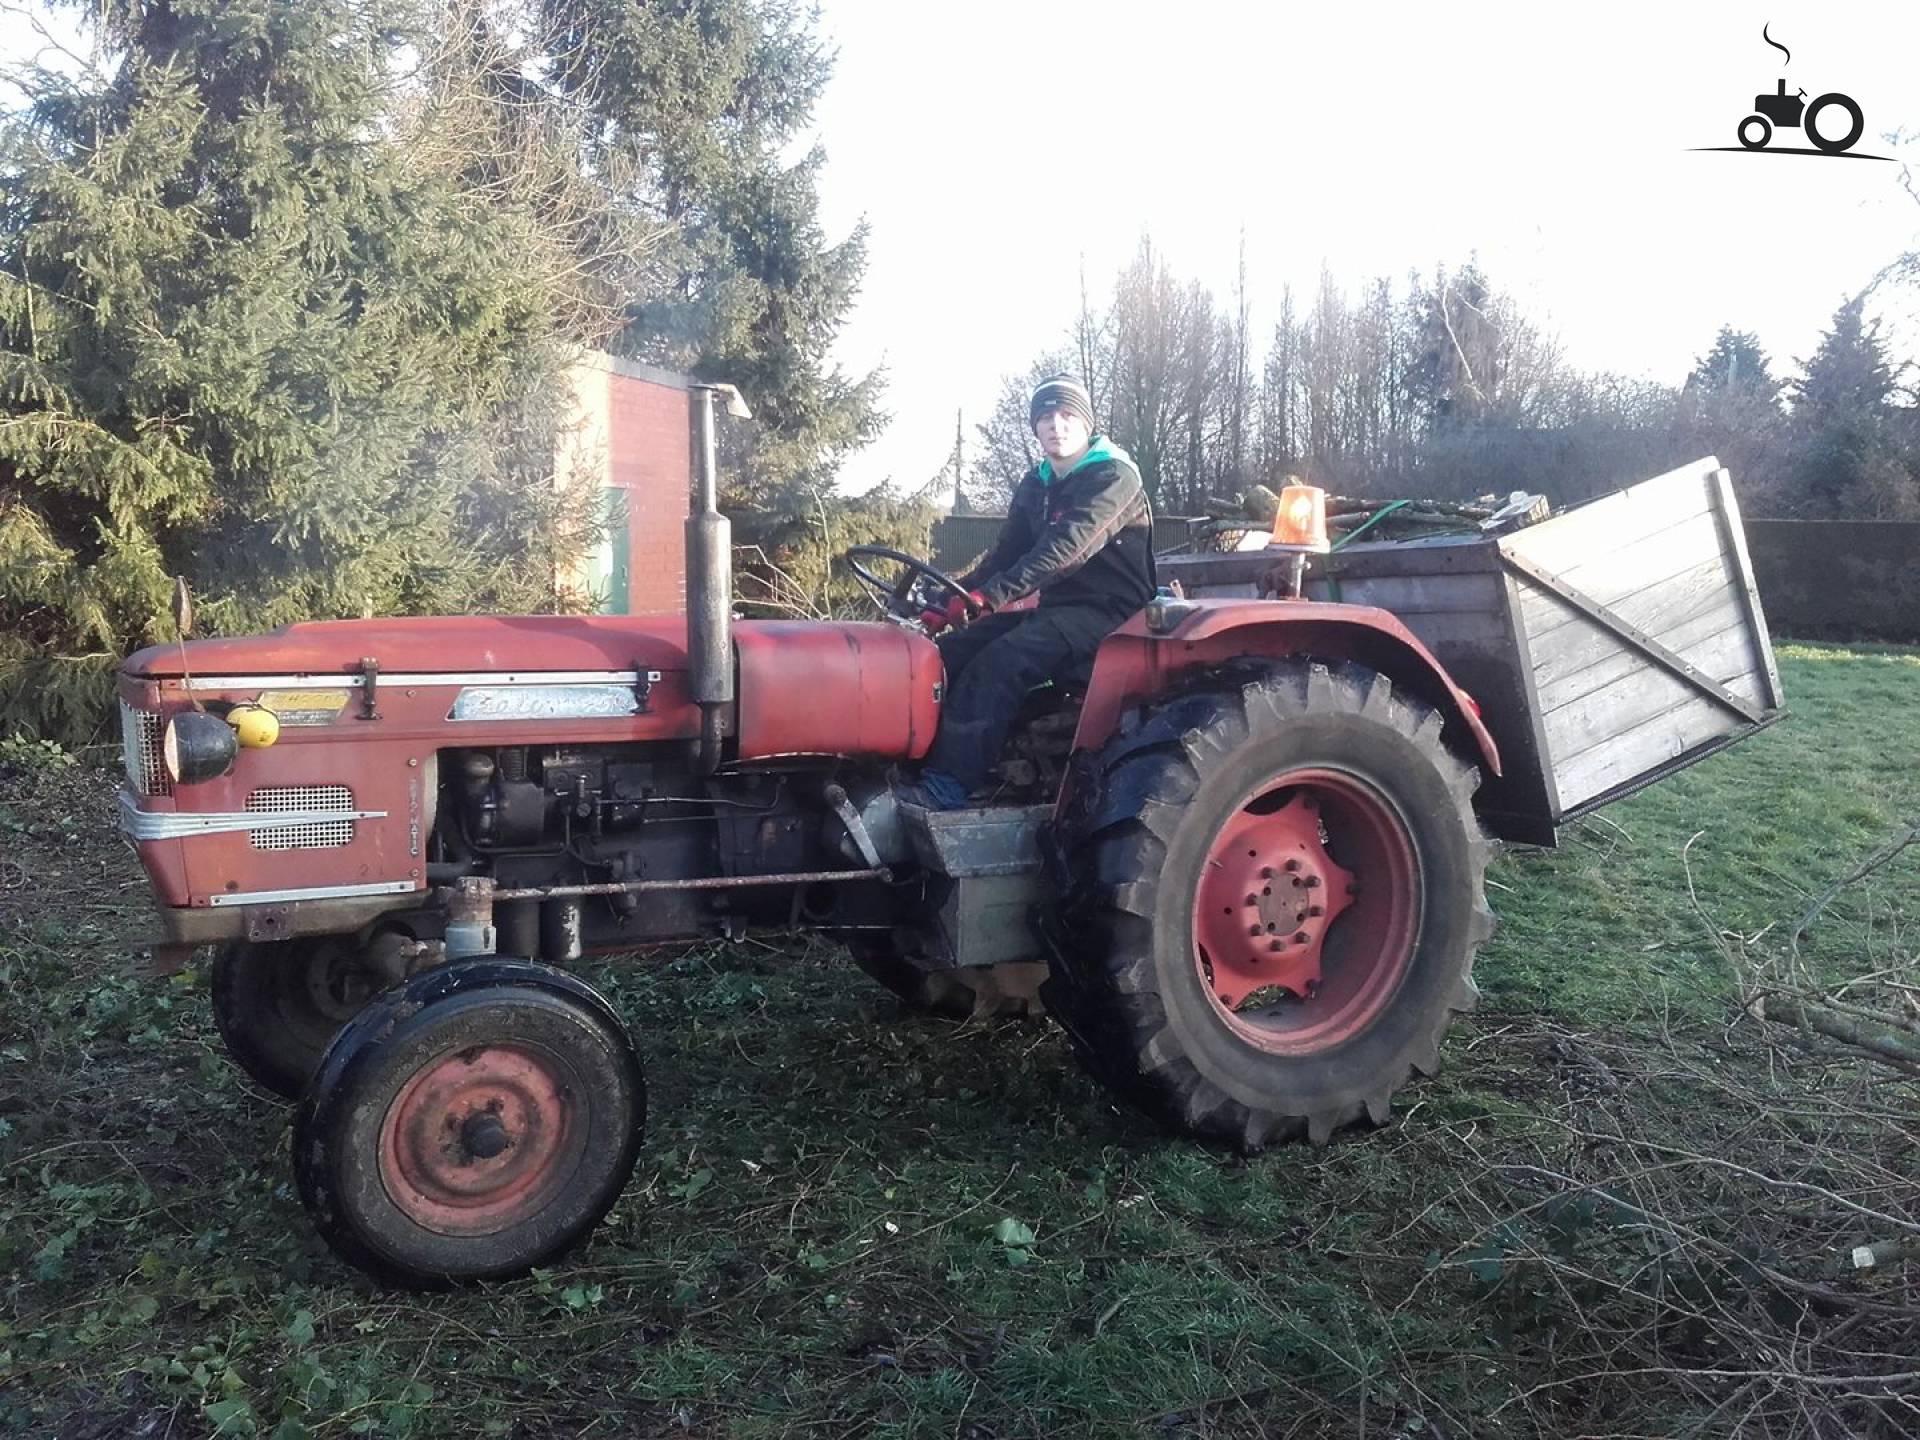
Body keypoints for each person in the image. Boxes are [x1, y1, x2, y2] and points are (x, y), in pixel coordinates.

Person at [898, 375, 1155, 810]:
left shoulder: (1113, 475)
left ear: (1086, 423)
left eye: (1068, 414)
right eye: (1046, 416)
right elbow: (1005, 555)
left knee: (999, 664)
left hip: (1113, 614)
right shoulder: (1036, 483)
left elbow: (1064, 550)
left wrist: (987, 599)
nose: (1057, 424)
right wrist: (951, 601)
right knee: (946, 655)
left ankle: (948, 787)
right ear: (1035, 427)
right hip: (1056, 610)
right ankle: (911, 765)